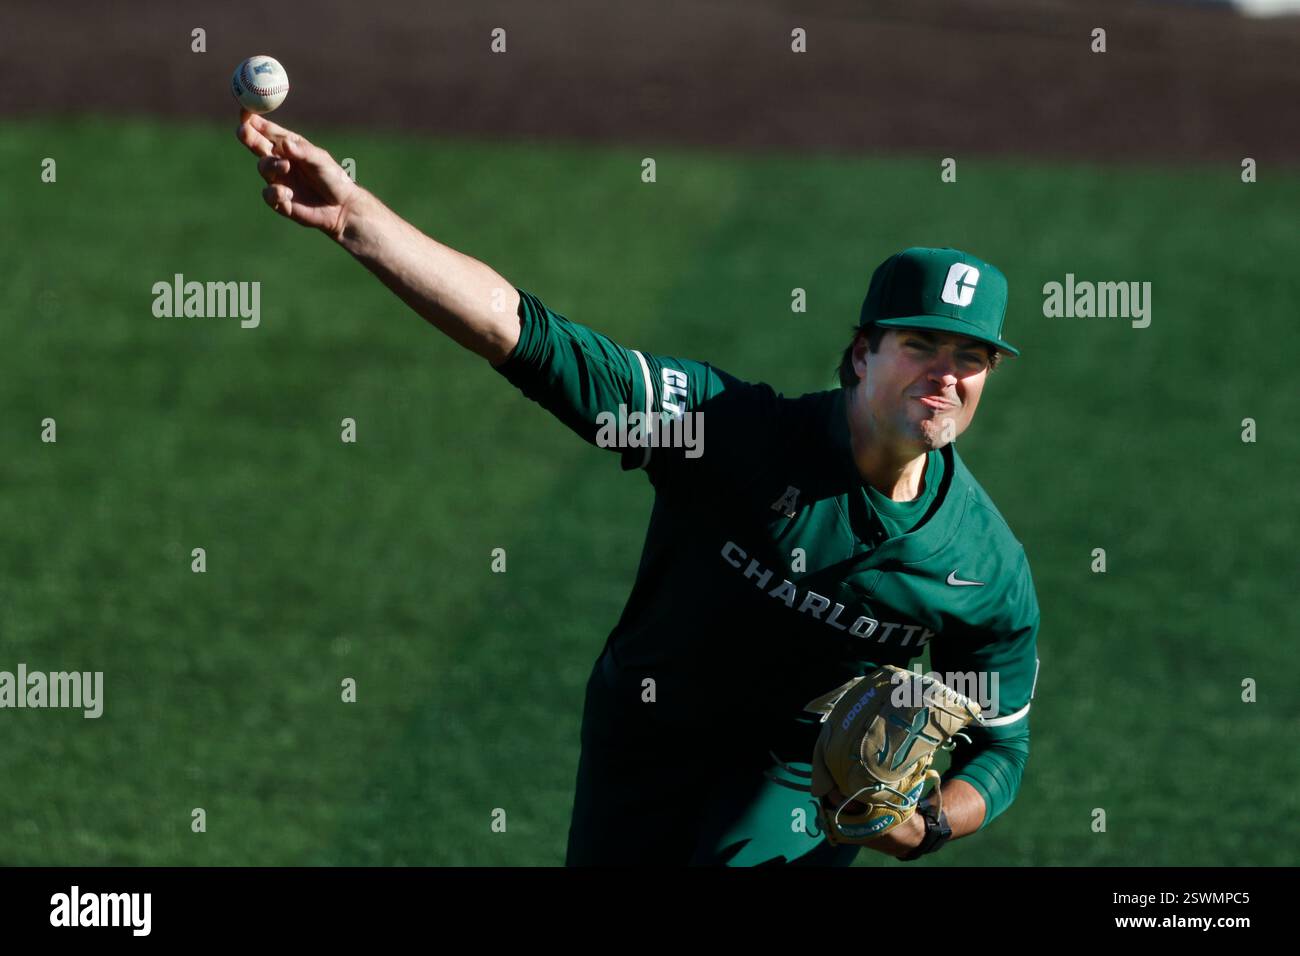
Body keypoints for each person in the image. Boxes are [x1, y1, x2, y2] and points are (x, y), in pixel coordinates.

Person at [235, 111, 1040, 866]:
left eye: (969, 359)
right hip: (644, 730)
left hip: (794, 780)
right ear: (862, 352)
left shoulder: (982, 564)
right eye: (920, 345)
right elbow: (531, 338)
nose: (945, 374)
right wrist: (359, 221)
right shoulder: (731, 432)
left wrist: (927, 824)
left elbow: (1002, 744)